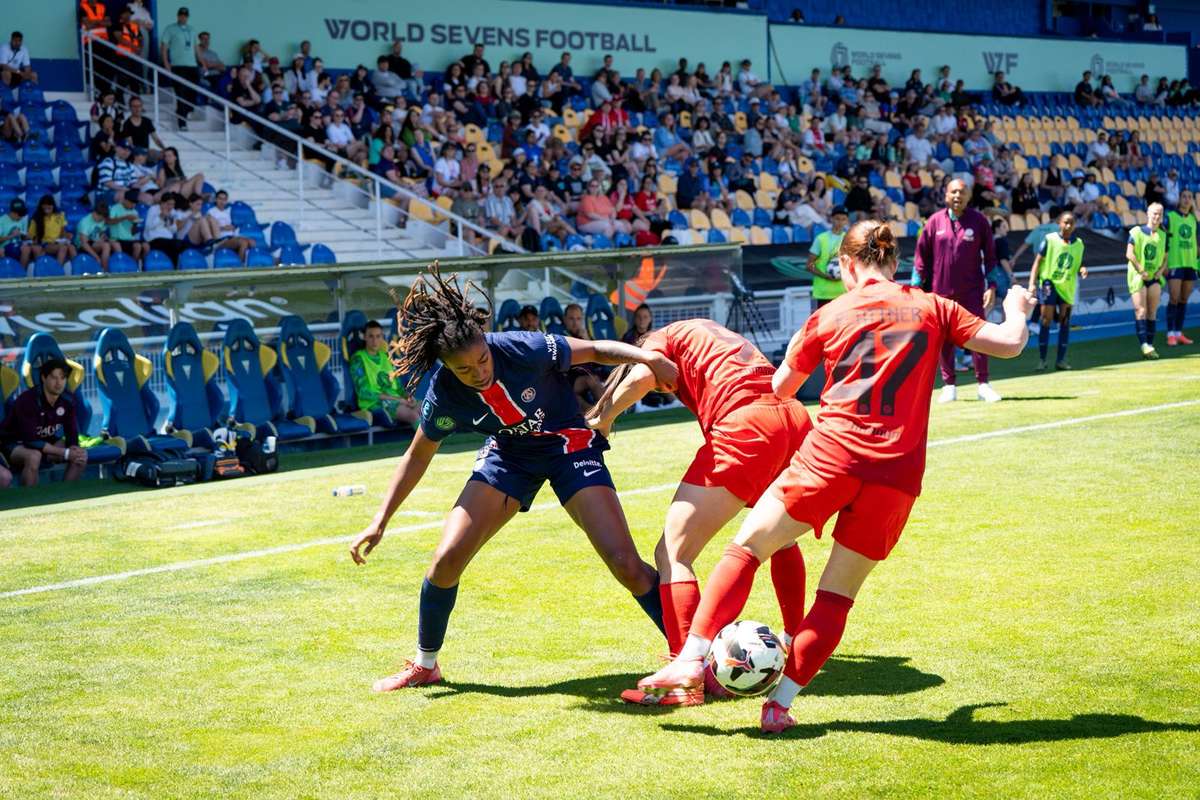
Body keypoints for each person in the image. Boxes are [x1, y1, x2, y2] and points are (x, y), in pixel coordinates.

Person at [635, 221, 1036, 733]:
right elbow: (1009, 343)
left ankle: (691, 659)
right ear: (895, 263)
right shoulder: (934, 306)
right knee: (836, 597)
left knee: (747, 548)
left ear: (846, 264)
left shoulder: (830, 314)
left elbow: (782, 388)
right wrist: (1016, 309)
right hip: (896, 474)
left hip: (831, 457)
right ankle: (779, 706)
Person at [348, 265, 680, 690]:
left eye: (482, 359)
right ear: (446, 368)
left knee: (625, 565)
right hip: (509, 455)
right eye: (465, 370)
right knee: (446, 561)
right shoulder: (445, 394)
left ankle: (690, 654)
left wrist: (647, 357)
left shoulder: (523, 347)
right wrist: (380, 520)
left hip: (567, 445)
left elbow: (596, 349)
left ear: (487, 343)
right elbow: (417, 456)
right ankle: (426, 664)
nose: (478, 372)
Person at [585, 320, 811, 707]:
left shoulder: (661, 340)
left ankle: (684, 673)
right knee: (779, 538)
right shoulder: (703, 331)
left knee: (673, 552)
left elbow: (643, 374)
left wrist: (602, 419)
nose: (663, 389)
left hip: (747, 426)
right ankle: (794, 641)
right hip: (794, 419)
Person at [914, 179, 1003, 403]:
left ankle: (983, 384)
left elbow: (991, 257)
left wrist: (992, 285)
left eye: (962, 192)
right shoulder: (934, 222)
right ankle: (949, 386)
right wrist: (915, 288)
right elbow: (921, 258)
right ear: (946, 195)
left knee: (978, 336)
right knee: (944, 339)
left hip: (972, 292)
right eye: (953, 192)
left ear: (969, 196)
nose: (957, 196)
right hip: (941, 293)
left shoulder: (979, 221)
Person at [1, 358, 89, 486]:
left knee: (81, 456)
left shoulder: (68, 400)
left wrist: (73, 448)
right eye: (54, 378)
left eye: (63, 378)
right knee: (34, 456)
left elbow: (72, 433)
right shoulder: (27, 400)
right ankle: (31, 497)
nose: (59, 383)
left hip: (45, 442)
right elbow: (31, 441)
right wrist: (65, 453)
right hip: (14, 444)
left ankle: (65, 494)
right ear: (43, 378)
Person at [1028, 212, 1087, 370]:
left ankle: (1061, 360)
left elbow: (1079, 263)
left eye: (1071, 223)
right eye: (1065, 222)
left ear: (1075, 225)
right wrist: (1032, 283)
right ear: (1059, 223)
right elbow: (1037, 262)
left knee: (1065, 322)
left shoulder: (1079, 244)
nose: (1068, 226)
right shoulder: (1050, 239)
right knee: (1046, 320)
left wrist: (1082, 269)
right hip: (1048, 284)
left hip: (1067, 287)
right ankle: (1042, 360)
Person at [350, 319, 419, 426]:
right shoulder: (358, 359)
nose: (375, 340)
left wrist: (408, 397)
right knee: (413, 415)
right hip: (374, 403)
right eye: (371, 336)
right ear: (364, 337)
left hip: (396, 399)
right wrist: (398, 399)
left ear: (382, 337)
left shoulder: (386, 357)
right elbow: (363, 392)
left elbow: (398, 386)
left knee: (426, 408)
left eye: (378, 336)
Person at [1128, 203, 1168, 359]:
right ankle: (1144, 345)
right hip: (1138, 276)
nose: (1157, 216)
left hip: (1154, 277)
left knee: (1152, 312)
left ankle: (1150, 346)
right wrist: (1140, 270)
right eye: (1154, 213)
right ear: (1148, 214)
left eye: (1160, 214)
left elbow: (1165, 258)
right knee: (1141, 311)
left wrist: (1160, 271)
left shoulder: (1163, 235)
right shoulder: (1136, 231)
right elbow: (1129, 254)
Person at [1164, 190, 1197, 346]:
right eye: (1184, 197)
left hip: (1190, 264)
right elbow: (1162, 239)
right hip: (1175, 263)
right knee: (1174, 298)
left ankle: (1178, 332)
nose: (1187, 199)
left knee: (1184, 299)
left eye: (1190, 197)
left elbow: (1196, 244)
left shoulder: (1193, 219)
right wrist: (1163, 263)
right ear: (1179, 199)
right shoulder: (1170, 217)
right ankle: (1170, 334)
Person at [159, 7, 198, 130]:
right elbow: (164, 47)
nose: (183, 17)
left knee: (192, 93)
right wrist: (166, 63)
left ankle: (184, 111)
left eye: (185, 15)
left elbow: (196, 48)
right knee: (181, 93)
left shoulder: (192, 29)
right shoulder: (170, 29)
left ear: (187, 17)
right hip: (178, 66)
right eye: (181, 15)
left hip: (192, 66)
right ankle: (182, 122)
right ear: (177, 16)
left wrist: (202, 62)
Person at [807, 206, 849, 308]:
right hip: (824, 293)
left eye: (843, 219)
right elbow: (809, 265)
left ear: (847, 221)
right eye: (837, 219)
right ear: (831, 219)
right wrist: (825, 276)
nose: (840, 222)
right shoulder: (821, 239)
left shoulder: (849, 239)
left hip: (843, 293)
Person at [204, 190, 253, 262]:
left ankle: (251, 263)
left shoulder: (228, 212)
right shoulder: (211, 212)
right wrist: (223, 228)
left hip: (231, 238)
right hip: (220, 241)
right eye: (220, 199)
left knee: (252, 242)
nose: (222, 201)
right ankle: (240, 265)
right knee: (243, 242)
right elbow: (207, 230)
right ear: (216, 199)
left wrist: (233, 228)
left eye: (224, 199)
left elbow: (234, 227)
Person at [27, 195, 76, 266]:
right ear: (41, 206)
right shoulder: (36, 218)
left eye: (49, 204)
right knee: (63, 248)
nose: (47, 207)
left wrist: (67, 236)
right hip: (45, 244)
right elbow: (31, 236)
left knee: (71, 247)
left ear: (53, 205)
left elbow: (62, 233)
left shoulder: (60, 215)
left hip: (58, 242)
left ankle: (78, 269)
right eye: (44, 205)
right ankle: (57, 269)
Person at [108, 189, 148, 264]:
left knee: (141, 246)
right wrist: (125, 217)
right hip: (117, 238)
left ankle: (134, 265)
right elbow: (109, 221)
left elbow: (133, 233)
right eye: (131, 203)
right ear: (125, 200)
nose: (133, 205)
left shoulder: (134, 212)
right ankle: (122, 266)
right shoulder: (115, 208)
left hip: (129, 239)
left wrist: (135, 224)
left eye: (134, 203)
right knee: (118, 247)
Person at [76, 200, 114, 271]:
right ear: (94, 213)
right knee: (106, 246)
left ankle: (106, 270)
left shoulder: (102, 219)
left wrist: (103, 237)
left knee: (112, 243)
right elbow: (84, 244)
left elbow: (100, 232)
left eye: (103, 219)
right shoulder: (85, 223)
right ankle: (105, 270)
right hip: (82, 246)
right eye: (100, 218)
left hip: (94, 242)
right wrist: (96, 257)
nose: (101, 220)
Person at [0, 197, 33, 268]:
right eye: (19, 214)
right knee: (25, 249)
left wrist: (27, 237)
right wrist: (11, 236)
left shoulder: (21, 221)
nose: (21, 217)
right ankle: (19, 272)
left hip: (18, 245)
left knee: (33, 248)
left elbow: (22, 236)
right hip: (5, 247)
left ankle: (21, 271)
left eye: (22, 214)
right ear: (12, 212)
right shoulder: (1, 221)